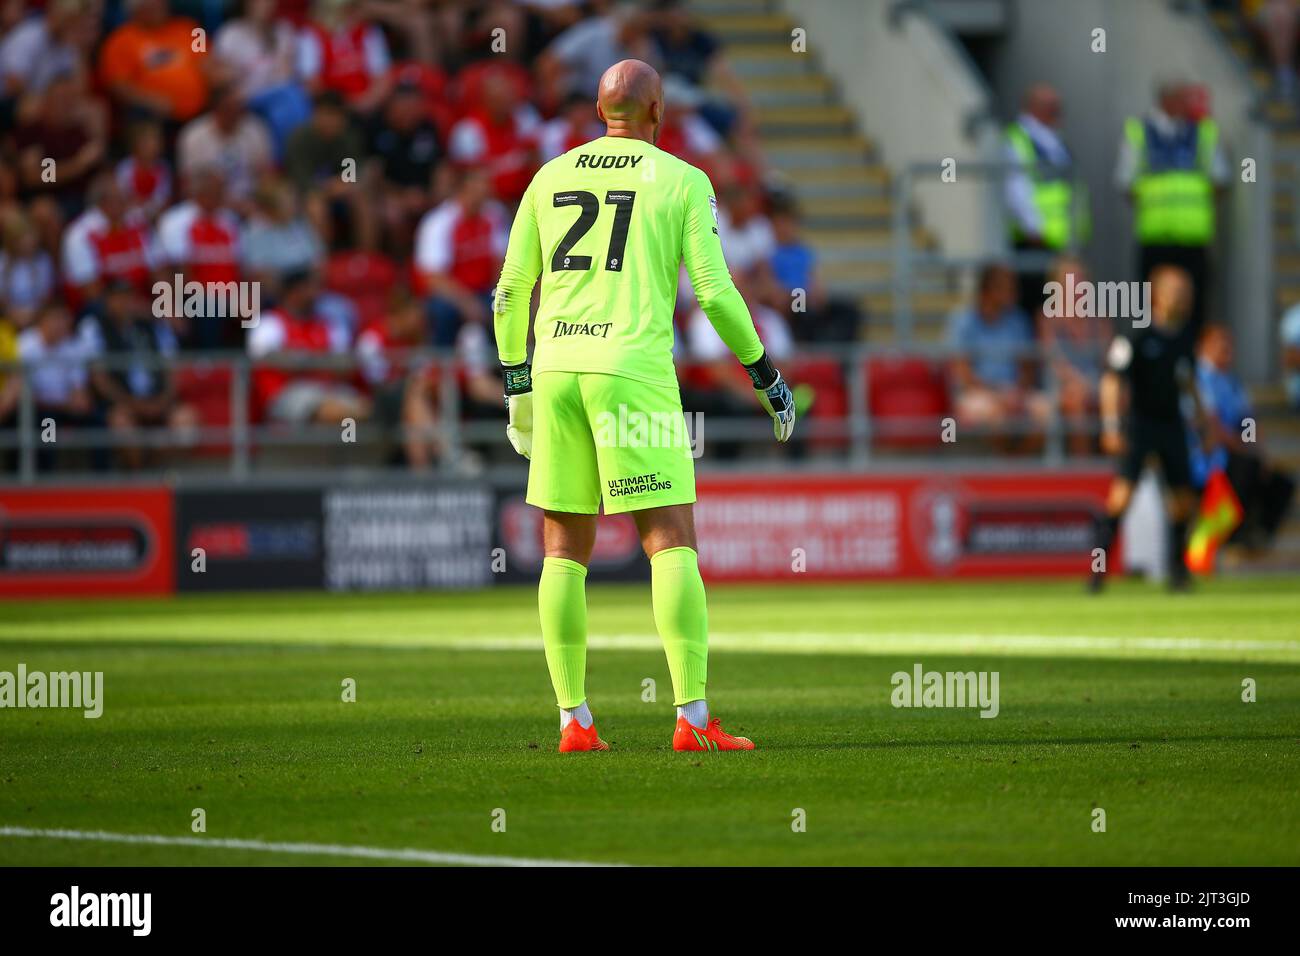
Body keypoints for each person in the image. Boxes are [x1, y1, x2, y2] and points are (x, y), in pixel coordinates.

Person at [492, 59, 795, 753]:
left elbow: (510, 292)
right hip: (632, 371)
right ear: (659, 111)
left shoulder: (550, 175)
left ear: (601, 112)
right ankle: (691, 719)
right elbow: (715, 293)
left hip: (557, 367)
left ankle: (574, 721)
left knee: (563, 548)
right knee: (670, 538)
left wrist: (518, 388)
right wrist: (763, 372)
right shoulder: (684, 180)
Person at [1091, 265, 1206, 593]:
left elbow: (1189, 383)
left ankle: (1178, 572)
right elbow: (1111, 380)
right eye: (1176, 290)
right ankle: (1097, 573)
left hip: (1172, 426)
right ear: (1157, 294)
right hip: (1140, 425)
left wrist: (1203, 425)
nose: (1183, 298)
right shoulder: (1136, 334)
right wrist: (1111, 426)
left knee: (1183, 500)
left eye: (1186, 291)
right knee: (1121, 499)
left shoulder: (1185, 337)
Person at [1115, 79, 1229, 327]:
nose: (1187, 105)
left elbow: (1219, 180)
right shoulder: (1139, 130)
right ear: (1165, 100)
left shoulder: (1204, 130)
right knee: (1149, 304)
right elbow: (1126, 181)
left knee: (1194, 306)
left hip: (1193, 237)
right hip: (1155, 236)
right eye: (1181, 99)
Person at [1193, 324, 1294, 549]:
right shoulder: (1199, 380)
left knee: (1281, 482)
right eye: (1221, 343)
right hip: (1207, 461)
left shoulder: (1233, 382)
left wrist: (1256, 448)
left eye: (1229, 344)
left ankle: (1256, 537)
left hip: (1236, 455)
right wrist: (1245, 448)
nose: (1227, 349)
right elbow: (1213, 427)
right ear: (1204, 347)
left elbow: (1248, 420)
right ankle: (1231, 535)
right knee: (1246, 468)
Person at [1003, 84, 1087, 322]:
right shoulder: (1019, 139)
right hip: (1036, 240)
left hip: (1060, 240)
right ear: (1034, 108)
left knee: (1060, 305)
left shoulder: (1053, 139)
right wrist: (1034, 228)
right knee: (1037, 304)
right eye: (1052, 107)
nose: (1058, 112)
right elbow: (1016, 189)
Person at [946, 262, 1050, 450]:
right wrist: (997, 395)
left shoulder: (1019, 320)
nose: (1014, 292)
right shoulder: (963, 321)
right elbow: (963, 372)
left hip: (1015, 392)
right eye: (1007, 287)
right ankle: (1006, 468)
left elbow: (1027, 367)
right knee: (996, 416)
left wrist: (1017, 393)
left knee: (1047, 412)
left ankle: (1019, 465)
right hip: (976, 393)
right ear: (988, 289)